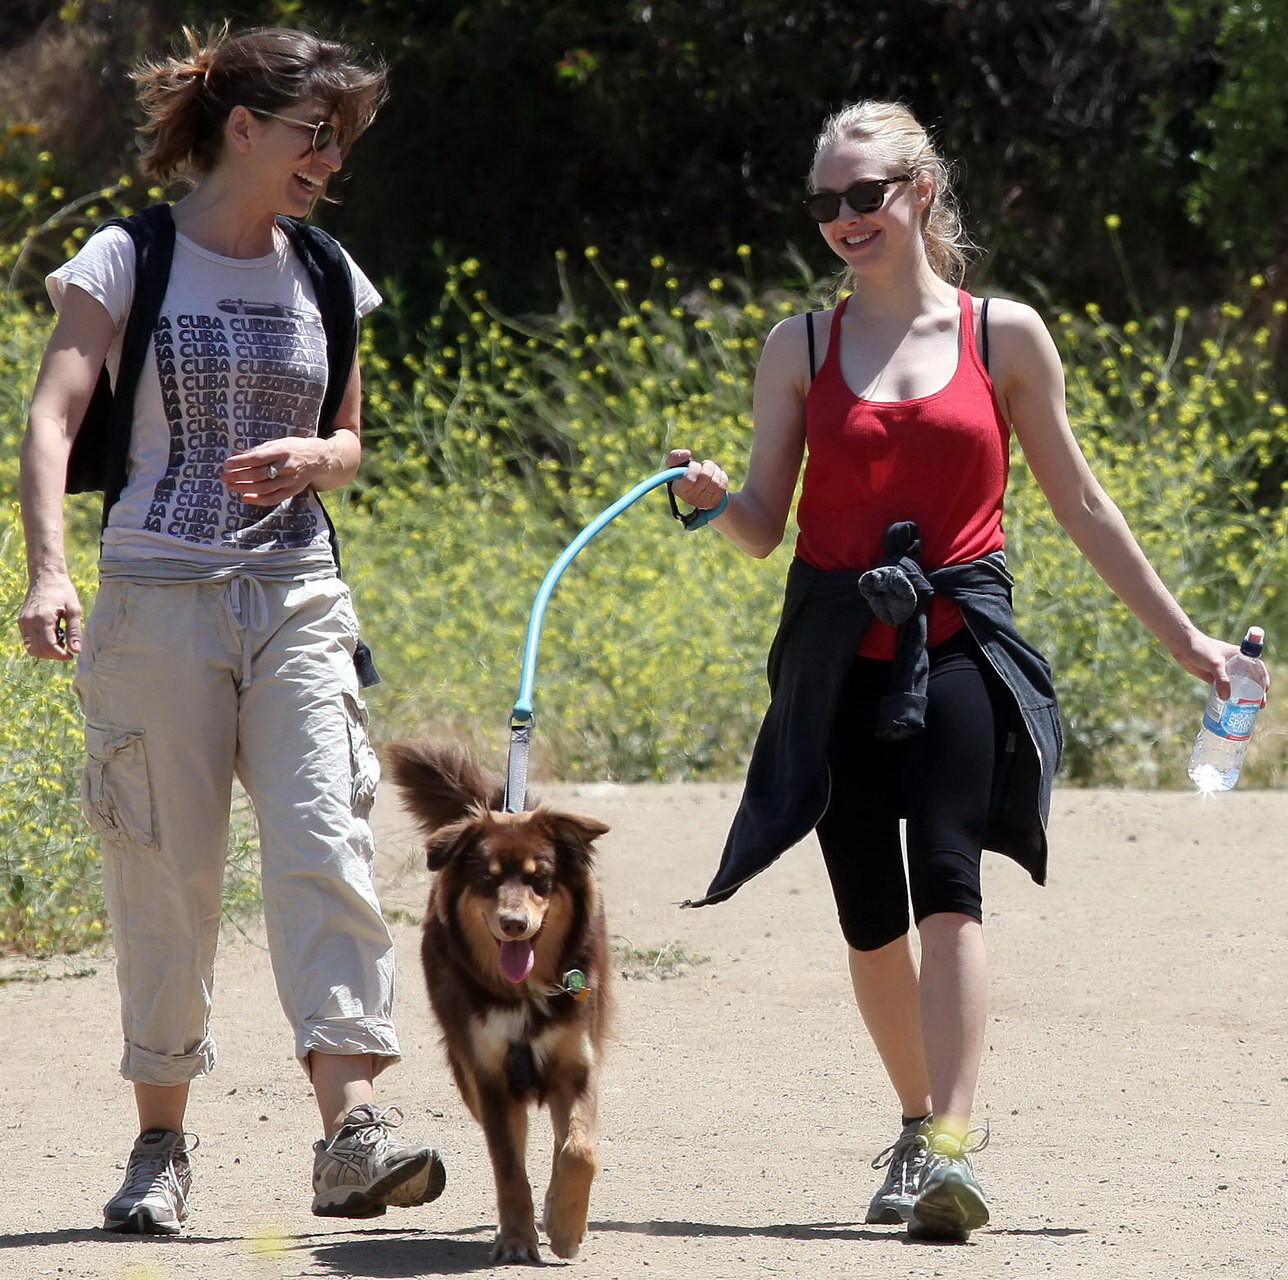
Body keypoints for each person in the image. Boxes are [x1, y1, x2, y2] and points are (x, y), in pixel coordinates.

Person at [666, 100, 1240, 1242]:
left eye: (864, 194)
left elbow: (1080, 500)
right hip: (834, 647)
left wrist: (1191, 645)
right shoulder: (802, 344)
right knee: (868, 915)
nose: (843, 218)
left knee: (947, 884)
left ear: (920, 191)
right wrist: (711, 498)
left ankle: (951, 1147)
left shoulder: (1003, 336)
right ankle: (915, 1119)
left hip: (959, 638)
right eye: (826, 200)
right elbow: (764, 526)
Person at [18, 26, 445, 1234]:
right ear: (244, 128)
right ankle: (160, 1143)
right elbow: (53, 421)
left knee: (326, 841)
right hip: (155, 602)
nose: (332, 159)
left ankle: (351, 1131)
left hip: (300, 594)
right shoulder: (127, 258)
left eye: (344, 139)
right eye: (318, 133)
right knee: (165, 876)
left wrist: (322, 455)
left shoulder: (324, 269)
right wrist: (52, 573)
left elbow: (350, 438)